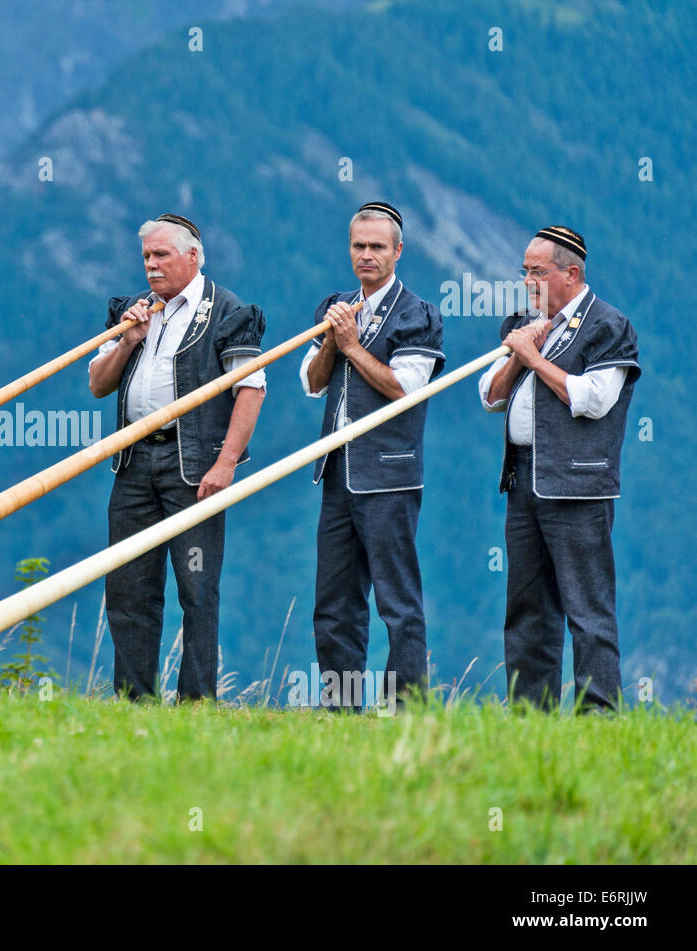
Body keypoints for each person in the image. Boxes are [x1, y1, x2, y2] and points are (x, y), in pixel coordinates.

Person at [88, 214, 265, 702]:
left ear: (193, 256)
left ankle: (196, 701)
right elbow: (98, 384)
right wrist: (127, 340)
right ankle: (134, 699)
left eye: (161, 255)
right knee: (128, 586)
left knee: (197, 588)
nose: (150, 266)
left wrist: (227, 463)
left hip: (194, 469)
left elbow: (251, 390)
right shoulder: (133, 312)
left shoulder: (228, 311)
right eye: (146, 256)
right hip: (134, 465)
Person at [477, 225, 640, 712]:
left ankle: (598, 714)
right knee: (526, 606)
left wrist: (533, 357)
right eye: (524, 271)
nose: (527, 281)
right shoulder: (525, 322)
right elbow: (489, 396)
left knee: (587, 607)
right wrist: (517, 355)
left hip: (579, 483)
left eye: (536, 272)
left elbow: (592, 401)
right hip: (523, 478)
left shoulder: (608, 325)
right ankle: (530, 713)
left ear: (570, 274)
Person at [299, 201, 445, 709]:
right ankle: (341, 707)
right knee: (334, 601)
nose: (366, 255)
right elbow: (313, 384)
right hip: (337, 471)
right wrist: (331, 345)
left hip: (390, 475)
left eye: (377, 247)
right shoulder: (335, 306)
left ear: (398, 252)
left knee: (397, 601)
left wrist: (354, 345)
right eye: (359, 246)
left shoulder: (418, 314)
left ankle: (404, 707)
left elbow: (405, 388)